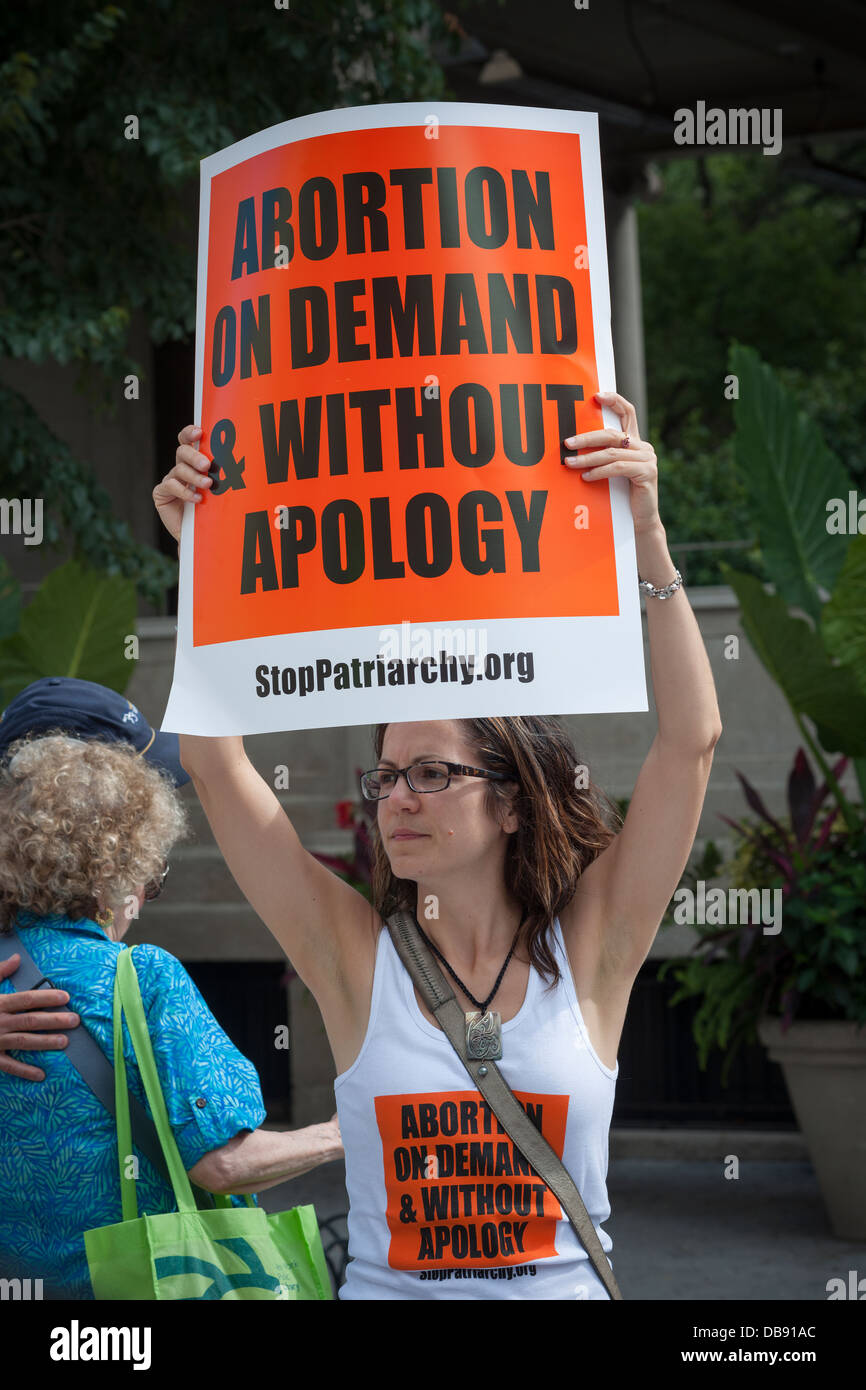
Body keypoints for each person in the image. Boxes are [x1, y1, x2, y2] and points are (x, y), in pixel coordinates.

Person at [13, 389, 722, 1298]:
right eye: (386, 776)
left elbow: (691, 743)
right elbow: (221, 770)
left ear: (512, 804)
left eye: (432, 774)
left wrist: (649, 538)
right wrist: (207, 562)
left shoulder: (588, 951)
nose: (397, 798)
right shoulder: (356, 958)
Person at [0, 682, 342, 1298]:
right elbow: (224, 1162)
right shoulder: (143, 977)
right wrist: (343, 1132)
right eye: (150, 876)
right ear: (119, 857)